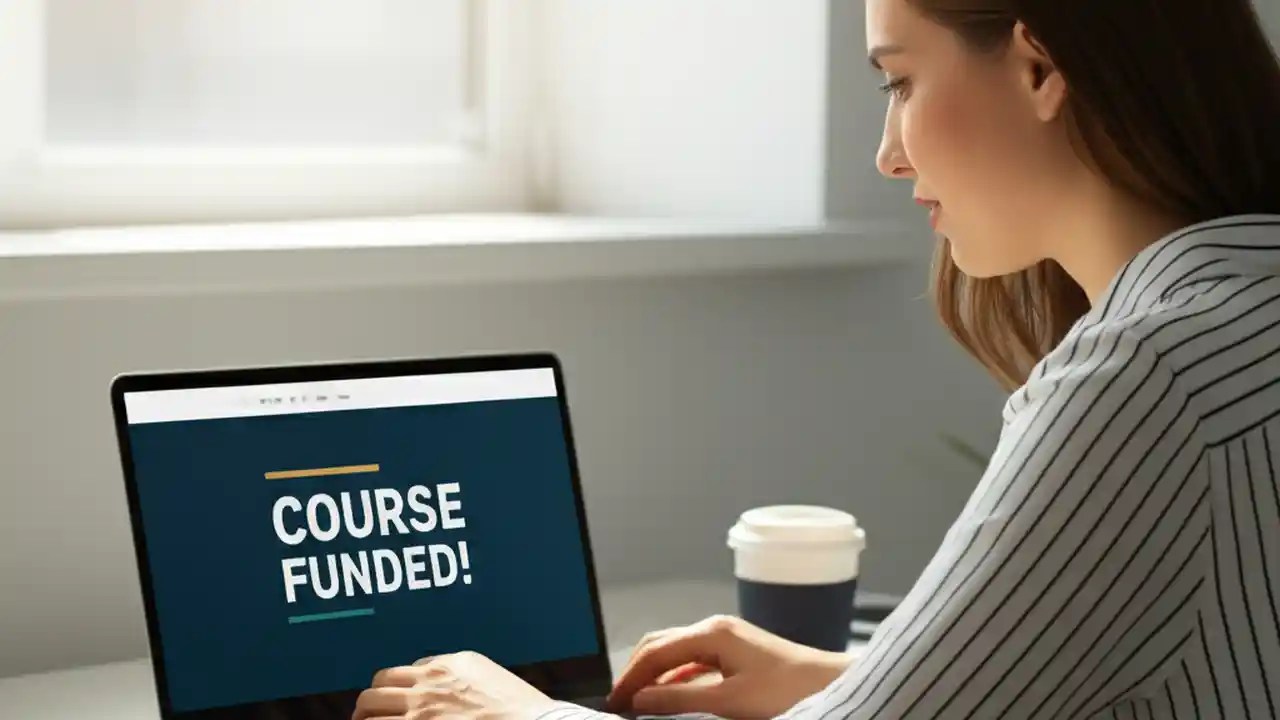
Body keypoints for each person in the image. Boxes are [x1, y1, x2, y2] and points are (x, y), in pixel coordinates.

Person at [351, 0, 1280, 717]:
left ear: (1040, 67)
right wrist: (857, 679)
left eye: (900, 82)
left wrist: (513, 709)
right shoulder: (1242, 316)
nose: (887, 155)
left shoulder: (1147, 377)